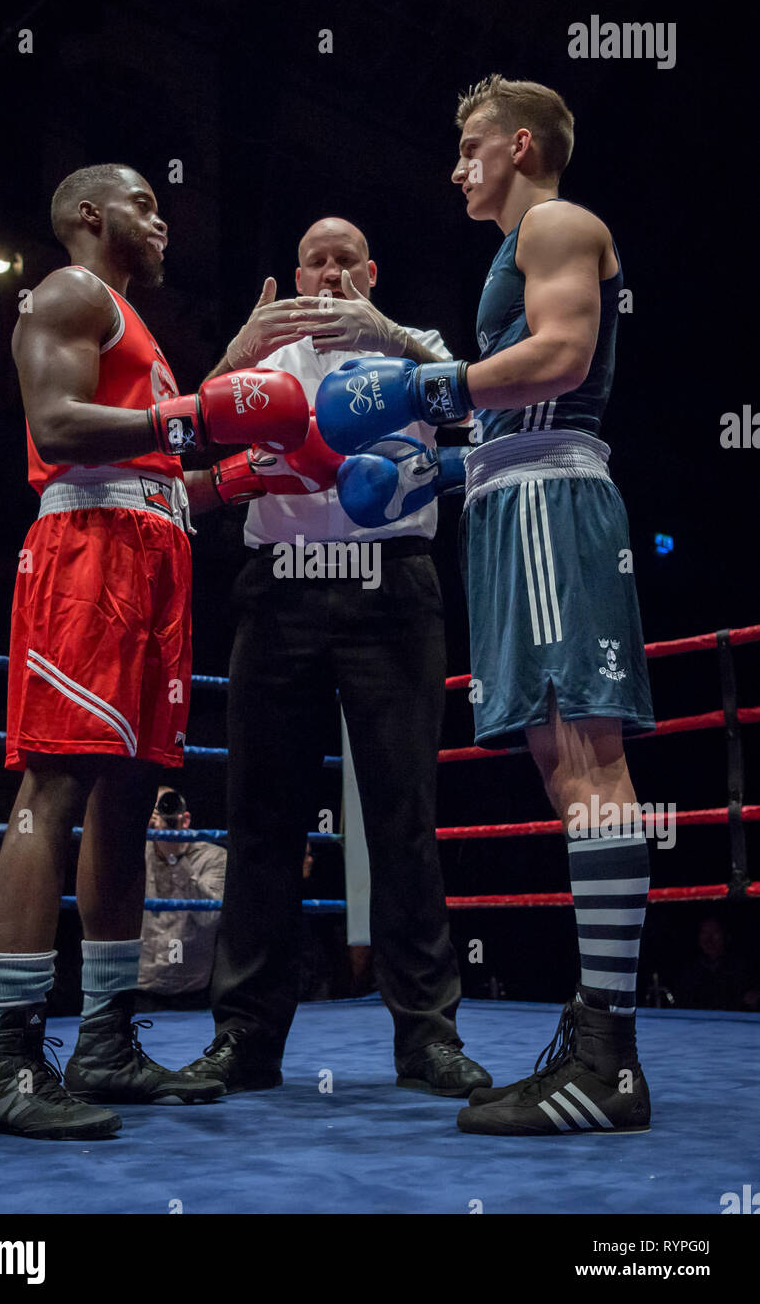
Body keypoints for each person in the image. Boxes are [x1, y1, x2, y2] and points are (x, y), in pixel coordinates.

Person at [315, 77, 657, 1135]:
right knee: (562, 759)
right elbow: (531, 399)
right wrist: (438, 474)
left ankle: (605, 1056)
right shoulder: (515, 248)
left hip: (555, 509)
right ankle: (600, 1042)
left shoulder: (554, 222)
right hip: (517, 504)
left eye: (468, 149)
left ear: (517, 145)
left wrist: (427, 389)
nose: (457, 168)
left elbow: (559, 359)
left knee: (587, 756)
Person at [0, 163, 309, 1140]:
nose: (163, 219)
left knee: (124, 798)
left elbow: (161, 478)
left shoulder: (141, 333)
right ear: (88, 214)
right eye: (143, 204)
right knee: (55, 789)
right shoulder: (70, 292)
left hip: (154, 565)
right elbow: (56, 425)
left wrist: (244, 469)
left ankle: (104, 1041)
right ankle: (10, 1055)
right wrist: (199, 412)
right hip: (85, 566)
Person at [179, 216, 492, 1098]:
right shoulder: (264, 355)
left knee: (403, 814)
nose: (326, 274)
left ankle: (428, 1038)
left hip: (391, 591)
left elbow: (469, 405)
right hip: (278, 590)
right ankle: (245, 1037)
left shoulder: (415, 343)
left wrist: (386, 336)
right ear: (295, 269)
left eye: (344, 261)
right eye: (314, 260)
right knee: (261, 817)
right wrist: (234, 349)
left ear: (371, 269)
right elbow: (188, 437)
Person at [137, 786, 226, 1009]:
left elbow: (209, 919)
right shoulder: (134, 855)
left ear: (184, 819)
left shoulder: (213, 857)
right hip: (139, 991)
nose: (160, 815)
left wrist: (174, 857)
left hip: (193, 995)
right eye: (153, 810)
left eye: (166, 809)